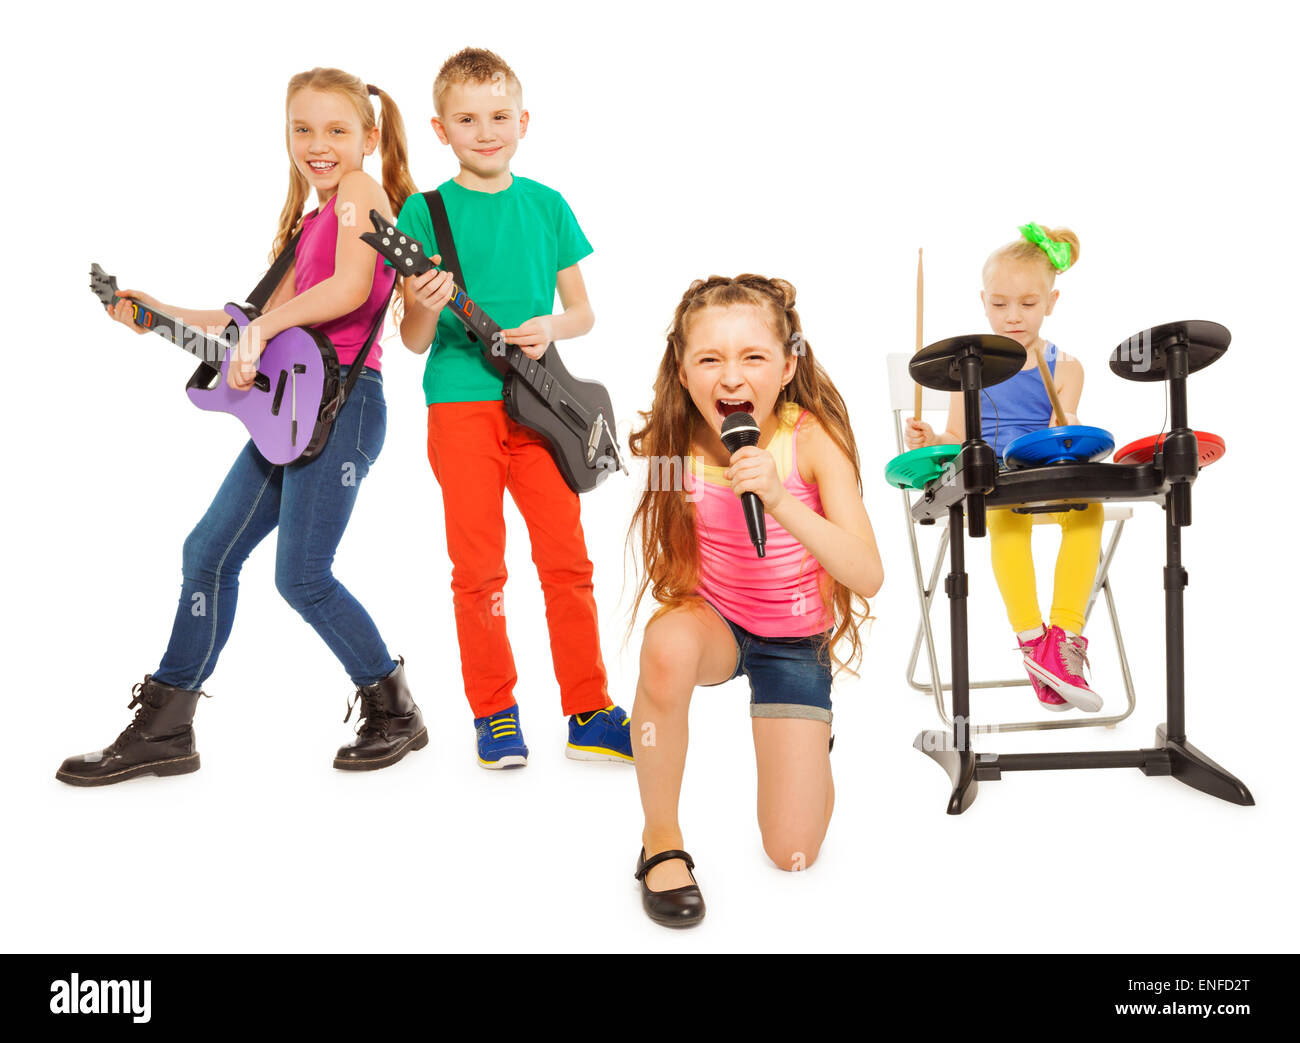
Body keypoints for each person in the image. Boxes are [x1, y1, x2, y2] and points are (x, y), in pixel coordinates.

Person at [58, 68, 426, 785]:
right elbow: (250, 326)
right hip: (292, 407)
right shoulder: (306, 222)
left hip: (346, 406)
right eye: (302, 129)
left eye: (336, 130)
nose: (318, 145)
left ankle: (395, 706)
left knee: (303, 577)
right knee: (208, 552)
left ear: (369, 137)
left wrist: (263, 332)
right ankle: (167, 725)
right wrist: (159, 313)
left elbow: (348, 291)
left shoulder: (362, 194)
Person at [395, 47, 631, 768]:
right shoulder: (421, 212)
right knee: (479, 567)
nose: (485, 130)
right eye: (467, 119)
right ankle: (495, 712)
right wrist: (429, 307)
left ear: (523, 121)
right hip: (460, 404)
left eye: (499, 116)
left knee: (568, 559)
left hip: (546, 407)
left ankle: (589, 707)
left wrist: (550, 327)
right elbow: (411, 339)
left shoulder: (548, 204)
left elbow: (583, 311)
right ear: (440, 129)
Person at [626, 274, 883, 927]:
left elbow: (869, 573)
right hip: (717, 621)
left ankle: (808, 740)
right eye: (709, 358)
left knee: (792, 850)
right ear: (682, 371)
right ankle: (661, 842)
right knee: (664, 643)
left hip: (795, 637)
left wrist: (780, 499)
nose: (731, 376)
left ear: (788, 365)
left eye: (753, 357)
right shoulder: (676, 441)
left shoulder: (812, 438)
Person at [905, 223, 1103, 712]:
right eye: (999, 304)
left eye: (1028, 304)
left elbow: (1067, 431)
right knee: (1001, 518)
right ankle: (1032, 639)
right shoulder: (967, 367)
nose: (1013, 316)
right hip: (993, 484)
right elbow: (956, 439)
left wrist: (1068, 419)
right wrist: (932, 439)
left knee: (1090, 510)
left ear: (1051, 301)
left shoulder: (1067, 367)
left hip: (1042, 477)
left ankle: (1064, 639)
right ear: (983, 301)